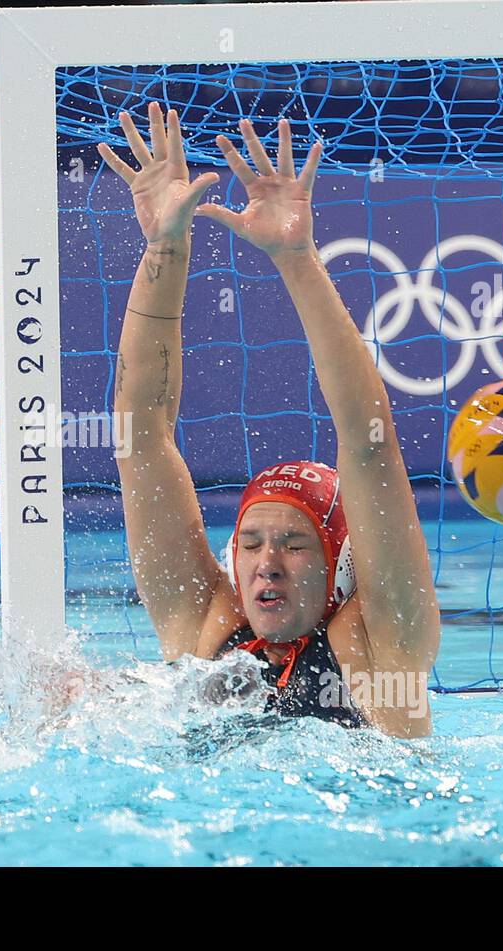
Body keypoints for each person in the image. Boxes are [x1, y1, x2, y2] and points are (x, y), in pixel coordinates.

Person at [98, 104, 440, 737]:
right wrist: (164, 248)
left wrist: (296, 258)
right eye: (251, 543)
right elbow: (139, 438)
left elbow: (370, 446)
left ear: (340, 563)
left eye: (295, 542)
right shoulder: (206, 624)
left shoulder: (382, 642)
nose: (267, 564)